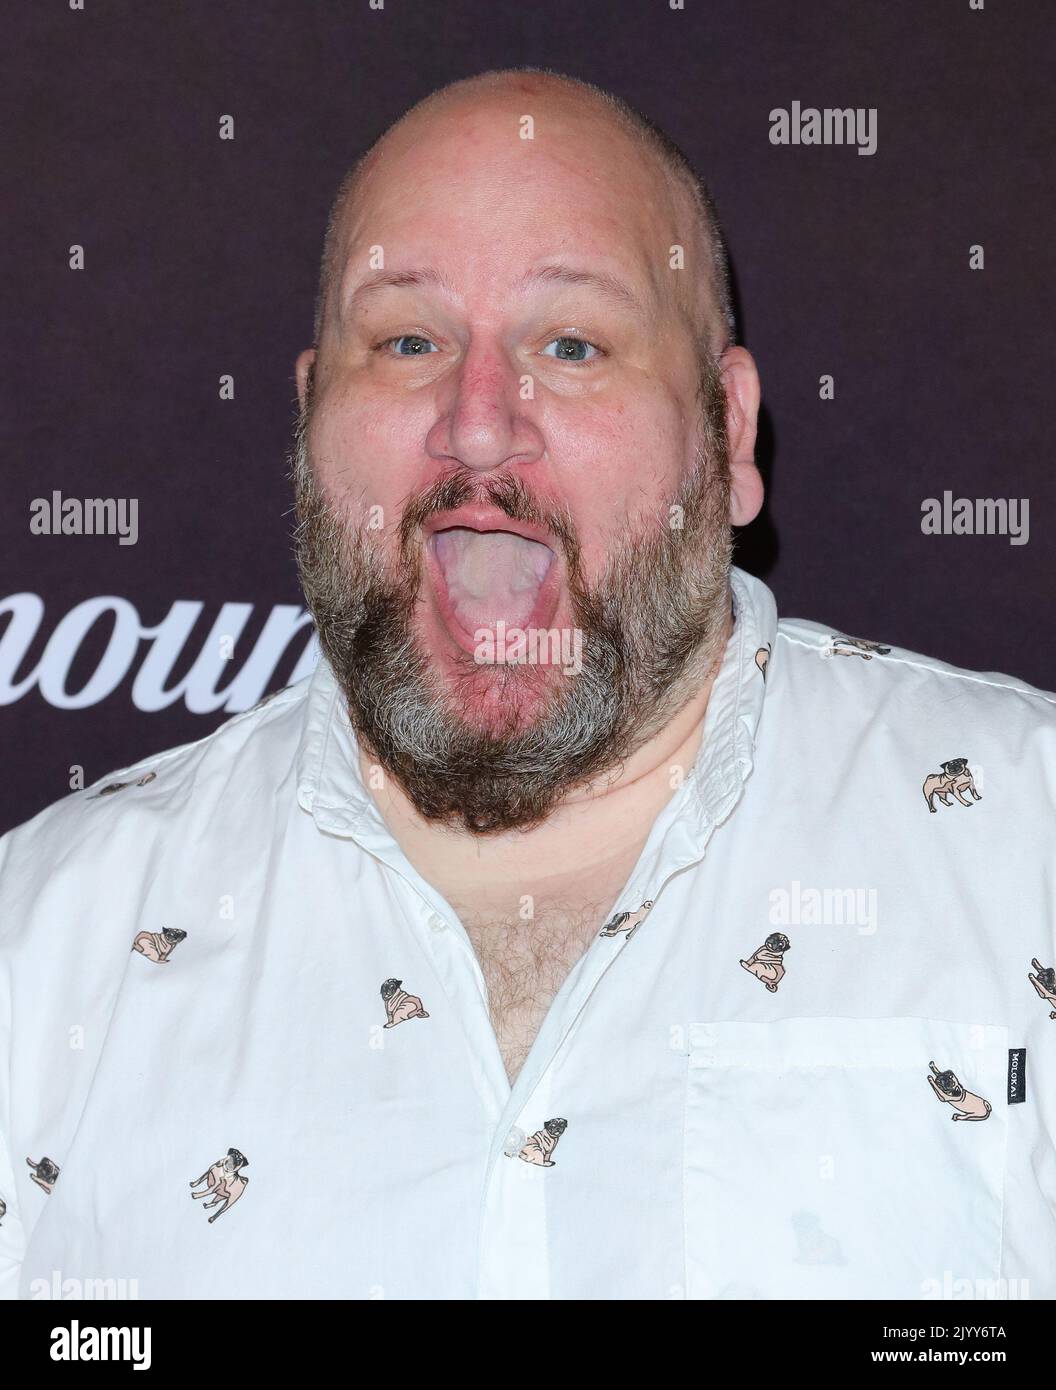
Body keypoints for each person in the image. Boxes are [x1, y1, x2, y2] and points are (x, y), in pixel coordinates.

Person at [0, 67, 1053, 1302]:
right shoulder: (41, 947)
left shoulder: (1029, 853)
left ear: (728, 430)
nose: (482, 422)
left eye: (573, 342)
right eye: (405, 339)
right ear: (307, 420)